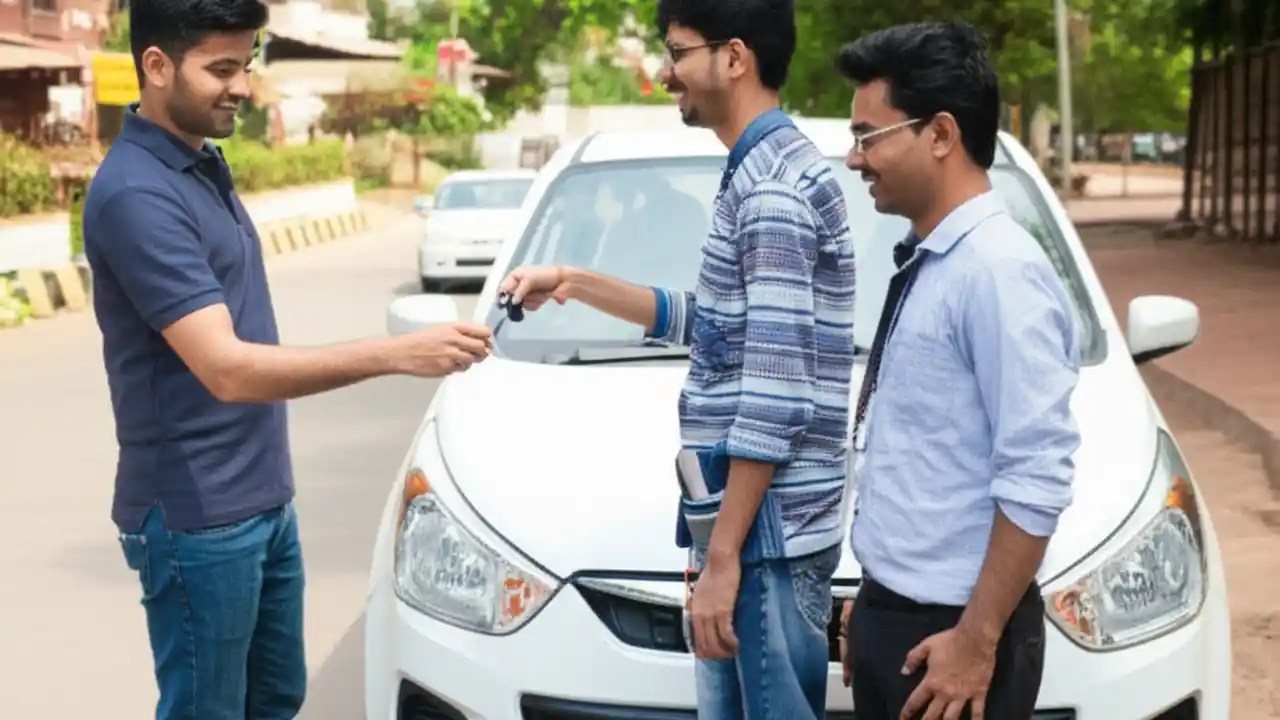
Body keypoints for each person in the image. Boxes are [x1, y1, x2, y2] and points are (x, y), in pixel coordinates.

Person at [82, 1, 491, 717]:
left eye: (246, 64)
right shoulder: (135, 192)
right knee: (209, 708)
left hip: (261, 499)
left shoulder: (199, 164)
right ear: (155, 66)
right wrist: (399, 353)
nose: (242, 85)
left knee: (275, 698)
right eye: (221, 68)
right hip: (197, 513)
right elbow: (228, 369)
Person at [500, 1, 856, 716]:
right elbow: (717, 324)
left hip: (765, 542)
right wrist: (572, 281)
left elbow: (775, 397)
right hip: (751, 533)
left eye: (677, 52)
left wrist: (723, 559)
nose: (666, 75)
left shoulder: (773, 193)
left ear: (734, 56)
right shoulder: (759, 170)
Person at [834, 21, 1081, 720]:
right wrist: (877, 595)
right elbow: (921, 453)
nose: (857, 160)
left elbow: (1036, 475)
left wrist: (976, 639)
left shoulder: (1000, 272)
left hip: (955, 633)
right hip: (902, 619)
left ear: (940, 134)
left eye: (868, 136)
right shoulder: (934, 258)